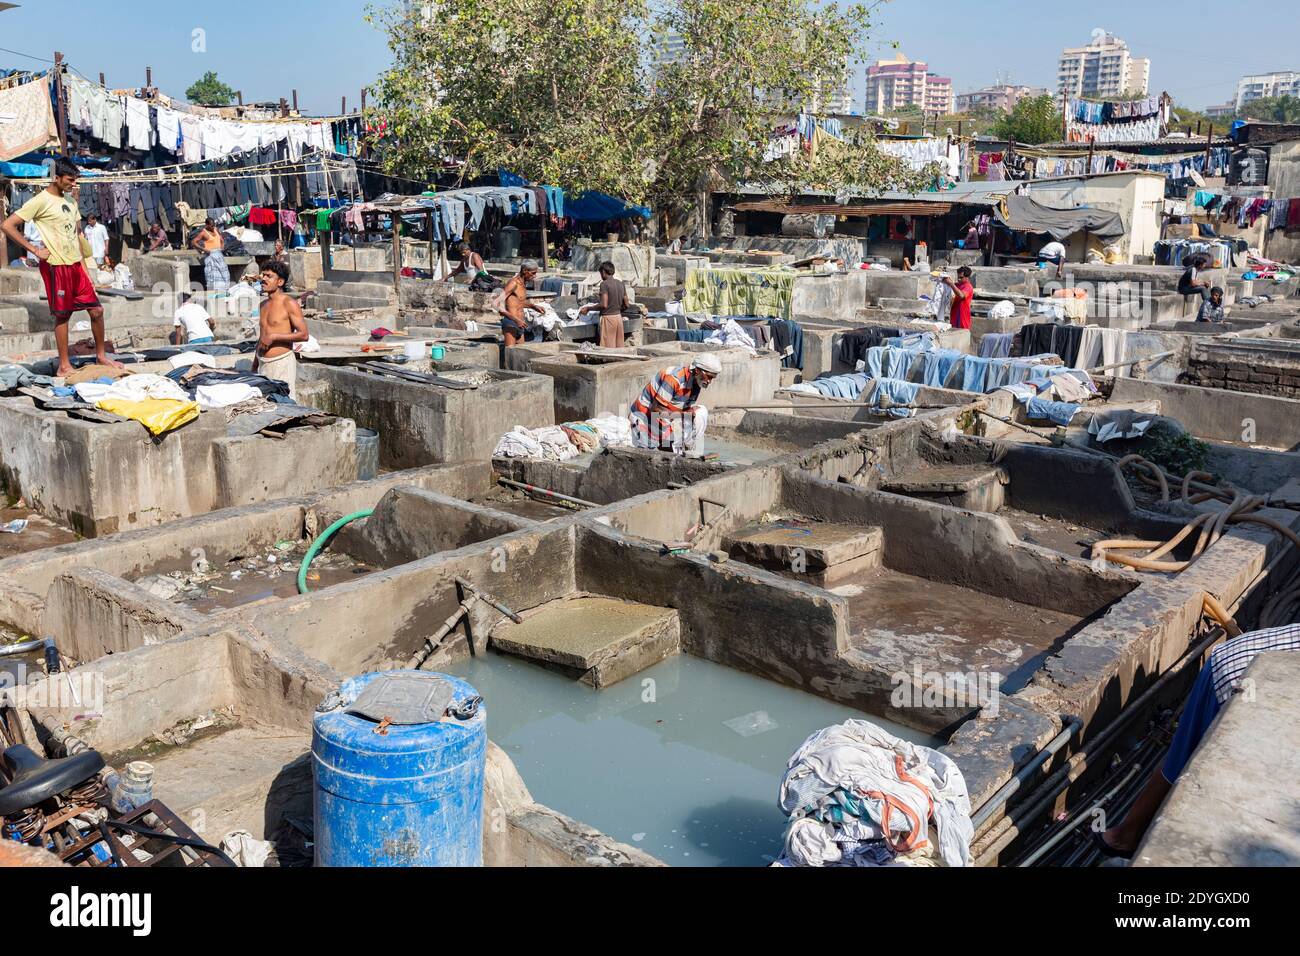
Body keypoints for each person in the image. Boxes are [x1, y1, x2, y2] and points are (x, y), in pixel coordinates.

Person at [1096, 624, 1300, 859]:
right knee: (1190, 766)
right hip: (1239, 674)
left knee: (1183, 755)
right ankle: (1126, 837)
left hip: (1236, 656)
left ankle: (1124, 835)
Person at [0, 158, 122, 377]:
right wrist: (35, 251)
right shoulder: (40, 200)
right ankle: (64, 365)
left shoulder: (71, 202)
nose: (73, 184)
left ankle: (102, 355)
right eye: (69, 179)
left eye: (75, 180)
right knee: (63, 315)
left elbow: (75, 237)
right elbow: (7, 225)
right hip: (56, 265)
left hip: (75, 264)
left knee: (97, 310)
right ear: (56, 178)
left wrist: (86, 271)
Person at [630, 353, 720, 453]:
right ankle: (671, 449)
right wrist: (684, 414)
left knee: (700, 412)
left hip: (666, 419)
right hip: (645, 420)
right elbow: (655, 412)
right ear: (698, 371)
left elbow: (681, 410)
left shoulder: (696, 382)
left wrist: (687, 413)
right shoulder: (674, 378)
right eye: (709, 377)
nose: (709, 381)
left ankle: (690, 449)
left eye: (712, 378)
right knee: (668, 451)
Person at [254, 259, 308, 399]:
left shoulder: (289, 303)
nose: (264, 279)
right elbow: (263, 337)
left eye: (269, 276)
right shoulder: (262, 305)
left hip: (281, 362)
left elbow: (304, 335)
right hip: (263, 363)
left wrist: (274, 337)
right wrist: (254, 367)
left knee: (284, 404)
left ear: (280, 282)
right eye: (263, 275)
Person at [578, 261, 629, 349]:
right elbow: (627, 304)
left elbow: (604, 305)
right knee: (619, 348)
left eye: (601, 273)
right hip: (618, 318)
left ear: (603, 272)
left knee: (607, 348)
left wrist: (588, 308)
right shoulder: (621, 284)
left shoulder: (604, 284)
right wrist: (617, 309)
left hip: (608, 319)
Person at [497, 260, 544, 347]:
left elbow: (518, 302)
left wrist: (533, 306)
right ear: (525, 271)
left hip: (521, 323)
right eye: (533, 273)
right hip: (511, 323)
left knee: (520, 353)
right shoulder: (513, 283)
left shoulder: (522, 284)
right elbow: (497, 303)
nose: (534, 276)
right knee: (510, 353)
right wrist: (516, 320)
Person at [191, 217, 230, 292]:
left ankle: (224, 291)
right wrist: (204, 249)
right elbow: (194, 242)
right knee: (213, 276)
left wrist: (222, 247)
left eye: (213, 225)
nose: (213, 227)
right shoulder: (204, 233)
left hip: (219, 255)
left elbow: (221, 239)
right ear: (207, 225)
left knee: (224, 274)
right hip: (210, 257)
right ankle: (213, 293)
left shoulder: (216, 229)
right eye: (211, 226)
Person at [942, 266, 974, 330]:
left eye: (961, 277)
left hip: (962, 316)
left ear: (968, 277)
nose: (959, 279)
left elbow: (961, 295)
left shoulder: (968, 287)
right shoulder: (957, 285)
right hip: (954, 314)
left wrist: (951, 284)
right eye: (958, 277)